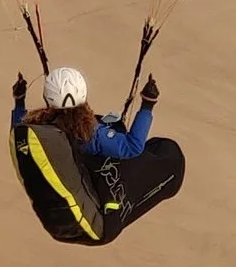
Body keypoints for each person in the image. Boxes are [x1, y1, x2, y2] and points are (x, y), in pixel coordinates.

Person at [10, 65, 185, 241]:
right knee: (166, 154)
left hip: (65, 219)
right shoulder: (89, 134)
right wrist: (148, 104)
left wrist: (19, 101)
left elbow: (20, 129)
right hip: (101, 220)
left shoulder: (45, 129)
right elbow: (132, 147)